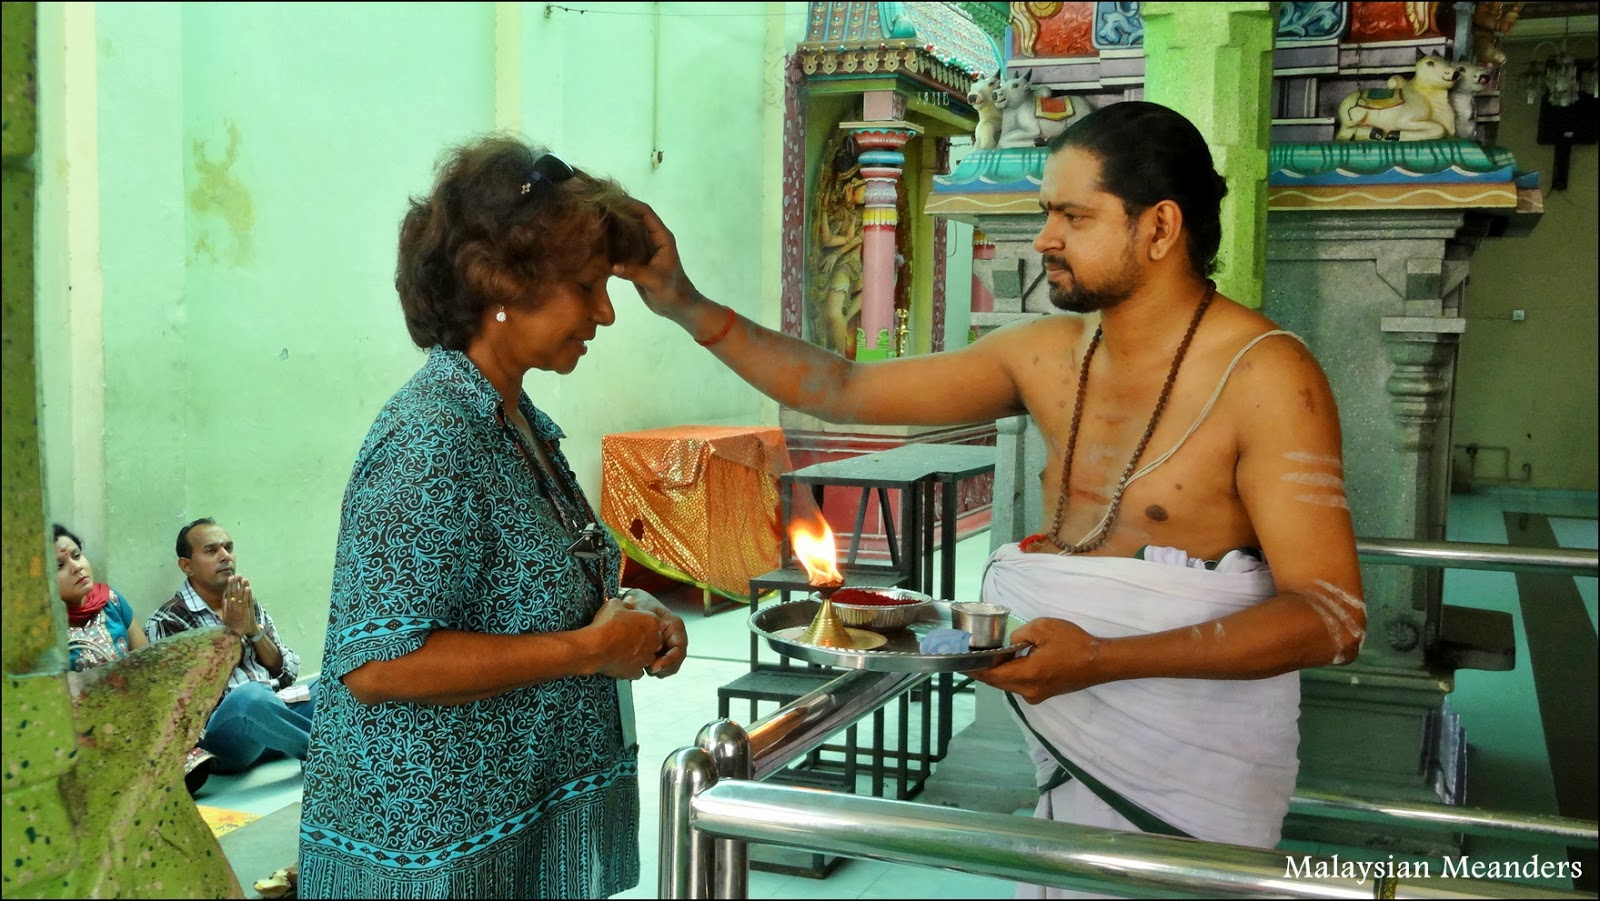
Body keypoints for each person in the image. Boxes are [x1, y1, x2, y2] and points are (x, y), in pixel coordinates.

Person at [618, 101, 1365, 875]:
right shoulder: (1043, 354)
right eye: (1048, 213)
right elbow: (841, 388)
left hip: (1196, 766)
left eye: (1073, 216)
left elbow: (1332, 618)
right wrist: (684, 303)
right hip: (1073, 745)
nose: (1045, 239)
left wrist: (1103, 659)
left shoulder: (1267, 376)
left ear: (1160, 228)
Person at [297, 135, 689, 900]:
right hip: (432, 856)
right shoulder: (431, 436)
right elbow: (378, 662)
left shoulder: (514, 420)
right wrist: (585, 648)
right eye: (587, 286)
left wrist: (623, 618)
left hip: (513, 831)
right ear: (496, 281)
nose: (607, 312)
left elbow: (520, 595)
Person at [145, 518, 315, 775]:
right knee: (250, 698)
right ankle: (325, 755)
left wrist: (253, 630)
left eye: (228, 548)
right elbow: (188, 704)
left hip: (274, 713)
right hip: (228, 737)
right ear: (187, 566)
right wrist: (230, 634)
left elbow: (287, 672)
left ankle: (299, 741)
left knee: (338, 682)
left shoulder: (243, 601)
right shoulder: (167, 621)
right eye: (211, 551)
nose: (225, 556)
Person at [55, 523, 216, 794]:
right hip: (84, 731)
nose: (76, 566)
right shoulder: (45, 628)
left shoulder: (111, 601)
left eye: (77, 554)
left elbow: (147, 664)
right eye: (59, 565)